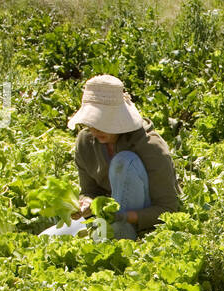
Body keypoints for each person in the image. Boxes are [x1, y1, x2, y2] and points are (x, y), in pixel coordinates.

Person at [68, 75, 180, 240]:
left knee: (124, 162)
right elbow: (89, 191)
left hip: (144, 220)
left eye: (103, 121)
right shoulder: (85, 142)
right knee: (49, 238)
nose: (95, 129)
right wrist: (86, 204)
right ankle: (108, 235)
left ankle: (120, 237)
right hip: (106, 220)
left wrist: (123, 217)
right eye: (92, 122)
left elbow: (168, 208)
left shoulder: (150, 146)